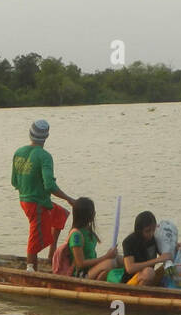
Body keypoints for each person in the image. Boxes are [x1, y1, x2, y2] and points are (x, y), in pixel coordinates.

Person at [11, 119, 77, 272]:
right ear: (46, 137)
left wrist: (29, 189)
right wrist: (69, 199)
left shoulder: (19, 152)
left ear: (30, 134)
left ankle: (51, 257)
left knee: (59, 214)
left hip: (25, 200)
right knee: (35, 236)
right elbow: (49, 185)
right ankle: (31, 268)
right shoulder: (45, 156)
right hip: (36, 203)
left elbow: (14, 181)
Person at [105, 211, 181, 286]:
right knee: (149, 272)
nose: (151, 234)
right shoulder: (128, 242)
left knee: (170, 267)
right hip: (131, 282)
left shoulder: (154, 238)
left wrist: (176, 248)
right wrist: (158, 260)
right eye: (147, 231)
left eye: (153, 230)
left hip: (150, 277)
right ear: (139, 230)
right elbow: (130, 268)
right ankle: (138, 296)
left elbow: (165, 255)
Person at [65, 198, 119, 280]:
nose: (94, 213)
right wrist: (106, 257)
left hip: (91, 269)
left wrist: (109, 255)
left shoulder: (87, 229)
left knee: (119, 259)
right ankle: (96, 285)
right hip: (81, 274)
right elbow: (80, 264)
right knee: (110, 263)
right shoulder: (76, 235)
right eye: (92, 212)